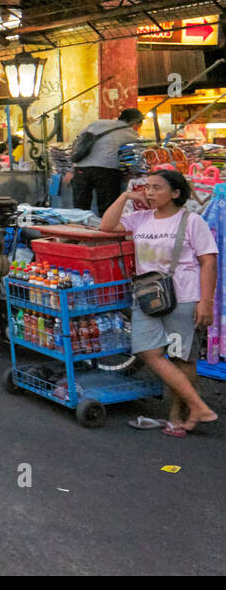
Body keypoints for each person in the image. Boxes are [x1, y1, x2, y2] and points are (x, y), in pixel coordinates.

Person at [101, 170, 218, 435]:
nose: (150, 193)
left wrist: (206, 302)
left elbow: (208, 262)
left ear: (176, 193)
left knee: (181, 358)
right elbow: (106, 226)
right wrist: (125, 195)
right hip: (149, 297)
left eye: (157, 188)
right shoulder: (140, 219)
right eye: (147, 188)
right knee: (147, 351)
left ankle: (179, 415)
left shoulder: (191, 221)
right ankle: (198, 406)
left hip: (185, 298)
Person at [71, 108, 144, 215]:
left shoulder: (98, 123)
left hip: (81, 167)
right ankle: (105, 228)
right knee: (107, 207)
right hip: (106, 169)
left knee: (80, 205)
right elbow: (136, 150)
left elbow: (79, 140)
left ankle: (78, 228)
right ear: (134, 123)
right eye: (138, 126)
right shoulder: (131, 133)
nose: (137, 129)